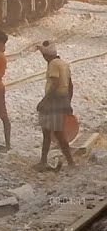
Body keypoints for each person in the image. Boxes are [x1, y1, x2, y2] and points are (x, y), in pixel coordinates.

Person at [35, 41, 75, 171]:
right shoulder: (64, 63)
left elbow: (54, 84)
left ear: (46, 55)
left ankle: (43, 161)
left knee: (48, 131)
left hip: (54, 99)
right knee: (58, 132)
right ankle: (70, 162)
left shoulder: (52, 64)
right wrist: (68, 102)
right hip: (62, 99)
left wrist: (44, 101)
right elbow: (70, 84)